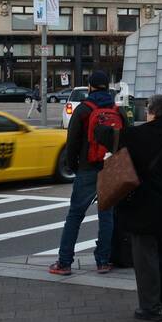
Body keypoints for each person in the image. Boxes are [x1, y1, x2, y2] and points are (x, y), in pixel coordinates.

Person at [95, 94, 162, 321]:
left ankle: (151, 307)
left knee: (146, 257)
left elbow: (107, 136)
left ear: (153, 112)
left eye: (148, 110)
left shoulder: (138, 135)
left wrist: (101, 124)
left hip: (143, 209)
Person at [49, 70, 124, 276]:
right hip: (110, 169)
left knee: (75, 215)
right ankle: (103, 261)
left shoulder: (83, 110)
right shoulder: (117, 109)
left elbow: (71, 143)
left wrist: (74, 167)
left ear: (90, 87)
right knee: (107, 216)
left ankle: (64, 262)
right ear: (107, 87)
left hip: (87, 168)